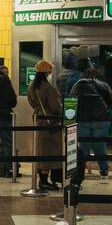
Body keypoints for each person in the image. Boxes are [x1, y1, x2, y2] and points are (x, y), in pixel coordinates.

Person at [67, 62, 112, 179]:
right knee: (100, 146)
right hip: (101, 120)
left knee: (83, 147)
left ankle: (80, 170)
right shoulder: (103, 85)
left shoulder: (77, 85)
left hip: (83, 120)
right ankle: (104, 170)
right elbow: (110, 101)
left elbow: (71, 101)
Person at [27, 60, 64, 190]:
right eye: (50, 71)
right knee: (51, 150)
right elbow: (55, 107)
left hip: (38, 119)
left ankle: (43, 180)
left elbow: (31, 103)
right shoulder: (48, 88)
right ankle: (44, 181)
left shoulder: (32, 86)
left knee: (41, 150)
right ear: (47, 72)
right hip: (50, 122)